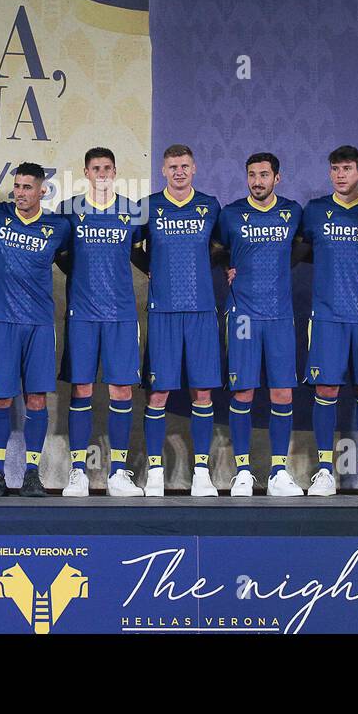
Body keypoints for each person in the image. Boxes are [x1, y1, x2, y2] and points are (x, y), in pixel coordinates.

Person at [298, 146, 358, 497]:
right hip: (327, 318)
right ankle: (324, 472)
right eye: (335, 169)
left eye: (347, 168)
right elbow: (293, 252)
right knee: (327, 390)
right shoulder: (315, 212)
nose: (340, 175)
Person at [0, 163, 71, 497]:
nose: (20, 193)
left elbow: (76, 263)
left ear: (42, 190)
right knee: (0, 399)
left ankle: (32, 473)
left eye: (28, 187)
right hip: (1, 321)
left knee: (36, 399)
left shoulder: (58, 226)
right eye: (17, 186)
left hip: (39, 323)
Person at [134, 144, 224, 497]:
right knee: (158, 393)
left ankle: (201, 472)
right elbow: (132, 248)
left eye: (184, 166)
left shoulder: (210, 206)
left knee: (202, 392)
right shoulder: (150, 207)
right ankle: (155, 472)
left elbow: (222, 247)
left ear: (195, 168)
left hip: (201, 310)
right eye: (173, 167)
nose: (179, 172)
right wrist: (154, 271)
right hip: (163, 312)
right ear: (163, 170)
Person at [56, 148, 146, 497]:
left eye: (108, 167)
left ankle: (118, 473)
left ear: (115, 170)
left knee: (121, 391)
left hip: (121, 315)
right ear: (86, 172)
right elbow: (60, 255)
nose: (103, 173)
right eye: (96, 168)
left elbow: (141, 253)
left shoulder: (133, 212)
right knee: (81, 389)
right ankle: (77, 471)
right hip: (82, 313)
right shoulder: (68, 211)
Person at [214, 153, 304, 497]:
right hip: (243, 317)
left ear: (276, 178)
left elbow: (303, 246)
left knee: (282, 391)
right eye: (252, 175)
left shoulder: (292, 212)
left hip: (279, 315)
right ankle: (242, 472)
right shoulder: (231, 214)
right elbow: (216, 248)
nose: (257, 181)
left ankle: (279, 471)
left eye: (264, 175)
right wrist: (228, 266)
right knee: (243, 391)